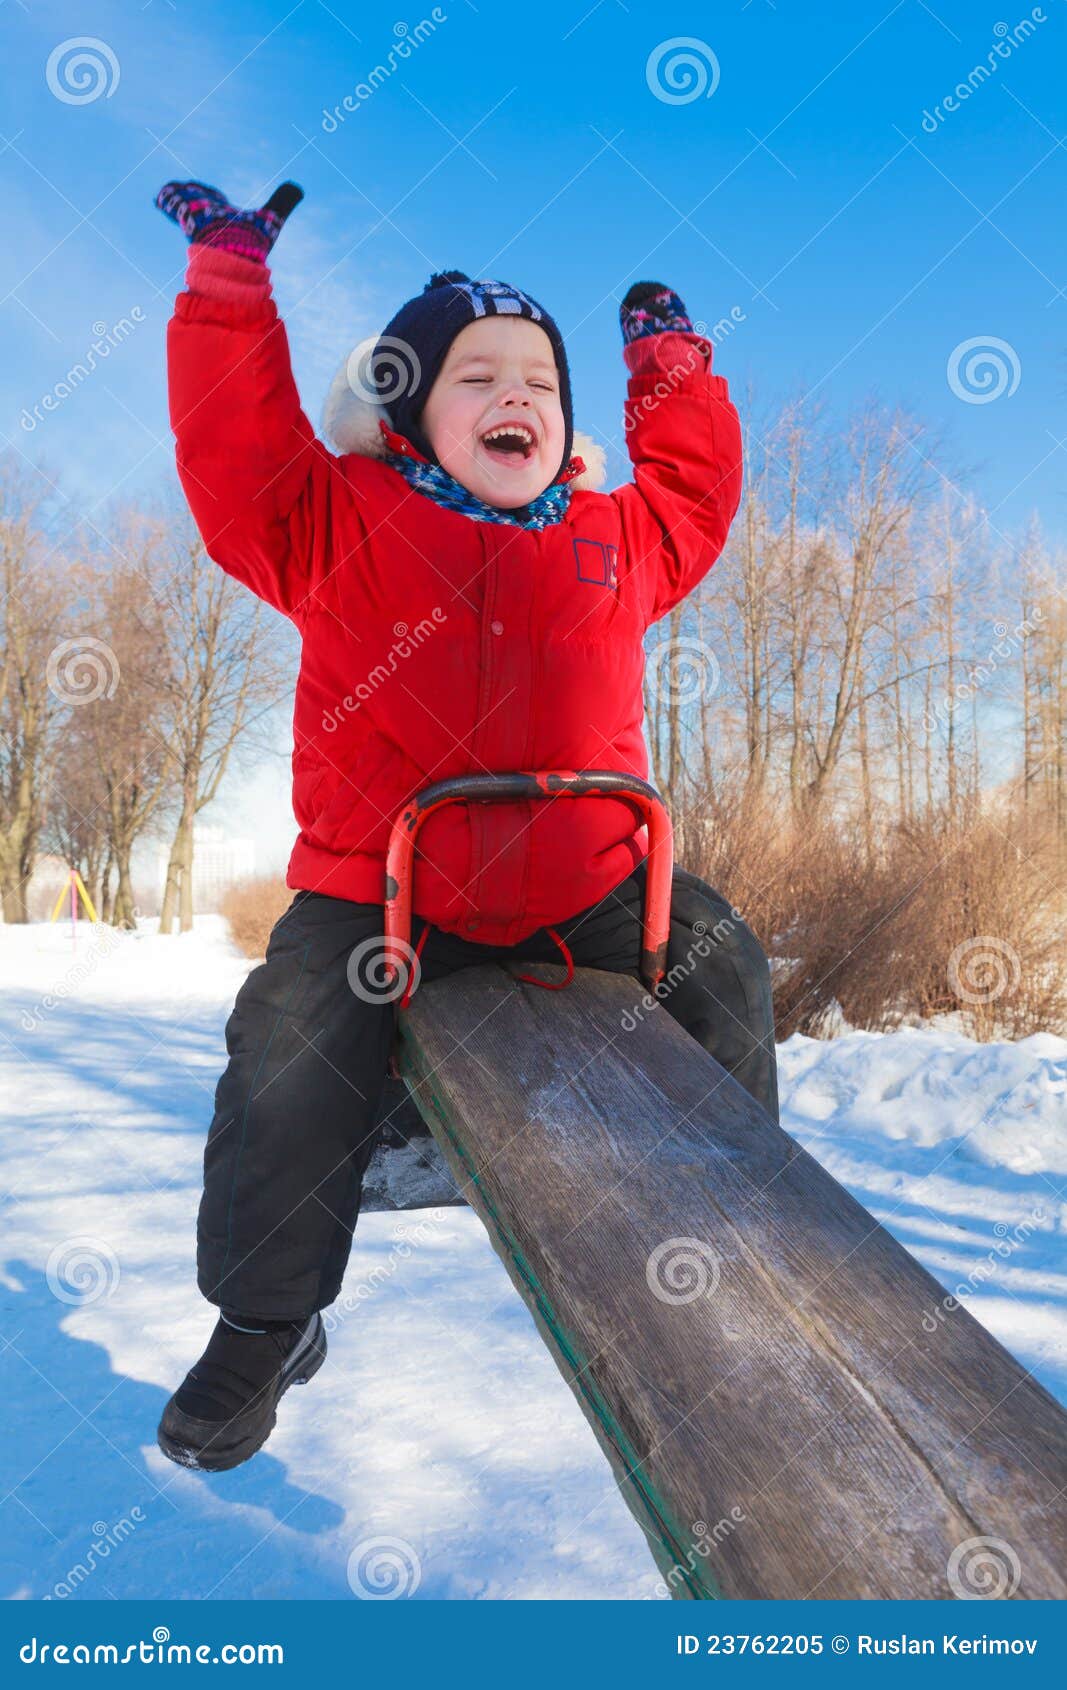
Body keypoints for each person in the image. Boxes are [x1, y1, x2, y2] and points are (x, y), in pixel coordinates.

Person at [153, 178, 779, 1472]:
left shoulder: (613, 539)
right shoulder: (336, 518)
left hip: (589, 893)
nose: (517, 396)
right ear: (407, 411)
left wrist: (668, 366)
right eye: (476, 376)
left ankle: (732, 1249)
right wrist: (228, 287)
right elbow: (236, 452)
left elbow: (695, 493)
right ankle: (267, 1320)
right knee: (289, 1038)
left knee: (722, 961)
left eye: (541, 381)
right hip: (385, 896)